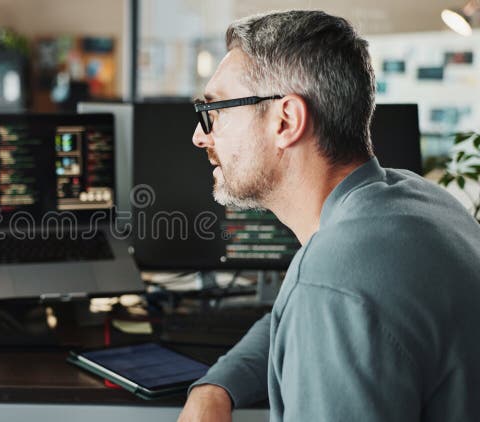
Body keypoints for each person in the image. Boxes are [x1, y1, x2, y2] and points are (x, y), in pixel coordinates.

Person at [178, 10, 480, 422]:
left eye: (216, 111)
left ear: (286, 120)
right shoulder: (420, 200)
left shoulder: (332, 284)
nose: (200, 135)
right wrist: (216, 387)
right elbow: (323, 311)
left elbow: (331, 301)